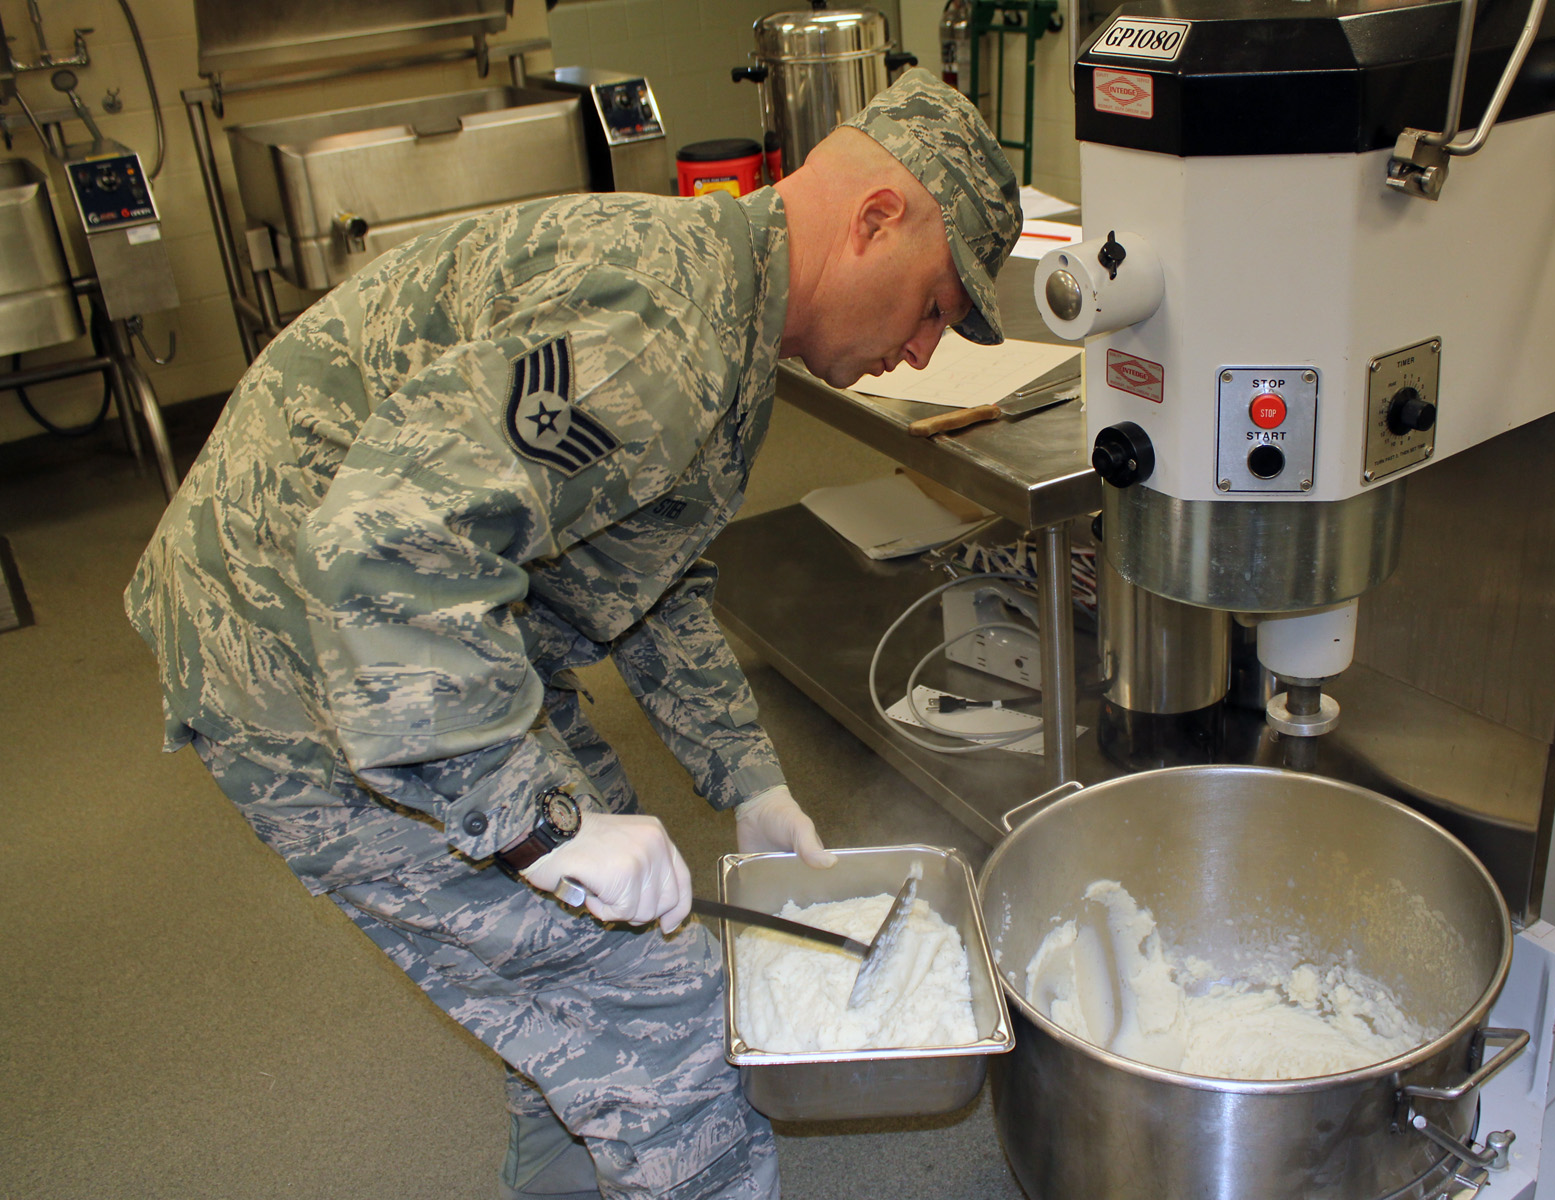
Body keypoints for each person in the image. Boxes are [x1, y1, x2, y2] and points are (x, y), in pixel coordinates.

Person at [123, 69, 1021, 1200]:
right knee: (675, 1036)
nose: (927, 351)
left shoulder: (728, 311)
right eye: (936, 304)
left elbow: (644, 575)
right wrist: (539, 824)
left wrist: (746, 777)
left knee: (600, 951)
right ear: (875, 220)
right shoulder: (665, 334)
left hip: (427, 622)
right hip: (297, 648)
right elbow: (378, 553)